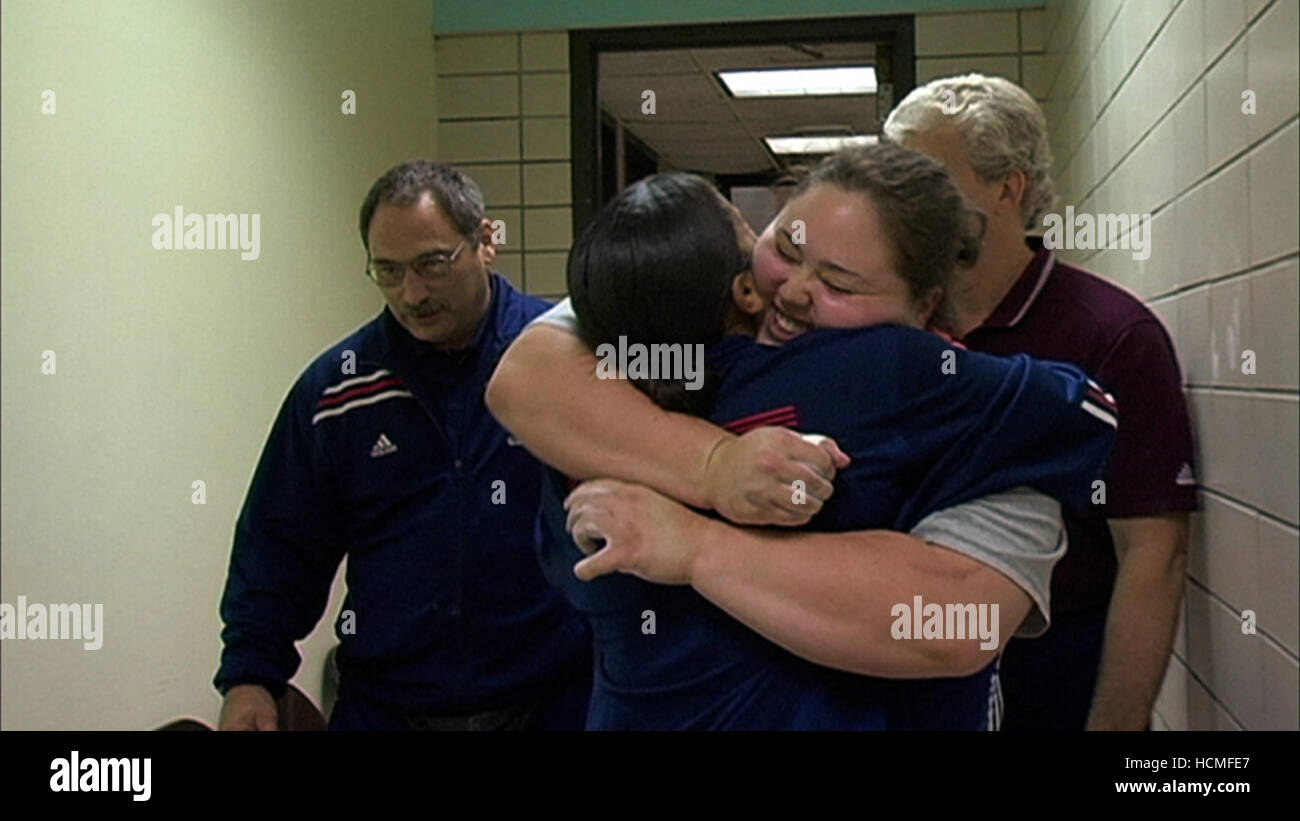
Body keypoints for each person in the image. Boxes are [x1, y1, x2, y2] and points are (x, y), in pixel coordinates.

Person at [491, 148, 1117, 729]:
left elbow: (955, 626)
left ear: (924, 306)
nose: (790, 292)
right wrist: (714, 468)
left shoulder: (927, 399)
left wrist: (697, 545)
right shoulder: (649, 344)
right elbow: (520, 375)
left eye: (839, 285)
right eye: (785, 247)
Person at [214, 160, 591, 731]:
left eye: (432, 264)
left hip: (553, 700)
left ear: (486, 242)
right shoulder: (338, 392)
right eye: (388, 271)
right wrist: (250, 675)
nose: (412, 293)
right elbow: (279, 543)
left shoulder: (563, 358)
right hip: (389, 708)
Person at [883, 74, 1196, 730]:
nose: (899, 205)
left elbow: (1153, 551)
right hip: (898, 658)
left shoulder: (1111, 335)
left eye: (925, 179)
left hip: (1054, 667)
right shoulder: (888, 327)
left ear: (1008, 187)